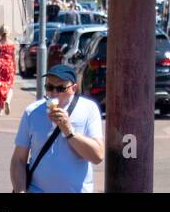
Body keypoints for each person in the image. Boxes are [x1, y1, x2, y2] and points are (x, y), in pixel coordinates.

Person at [9, 64, 104, 193]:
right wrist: (21, 190)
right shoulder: (32, 112)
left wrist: (69, 131)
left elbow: (97, 156)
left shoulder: (88, 109)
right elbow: (18, 159)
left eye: (60, 88)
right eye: (49, 87)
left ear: (74, 88)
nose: (53, 93)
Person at [0, 25, 18, 116]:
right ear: (8, 33)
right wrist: (15, 68)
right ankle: (8, 101)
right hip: (9, 66)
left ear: (0, 32)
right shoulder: (12, 44)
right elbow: (14, 57)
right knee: (9, 87)